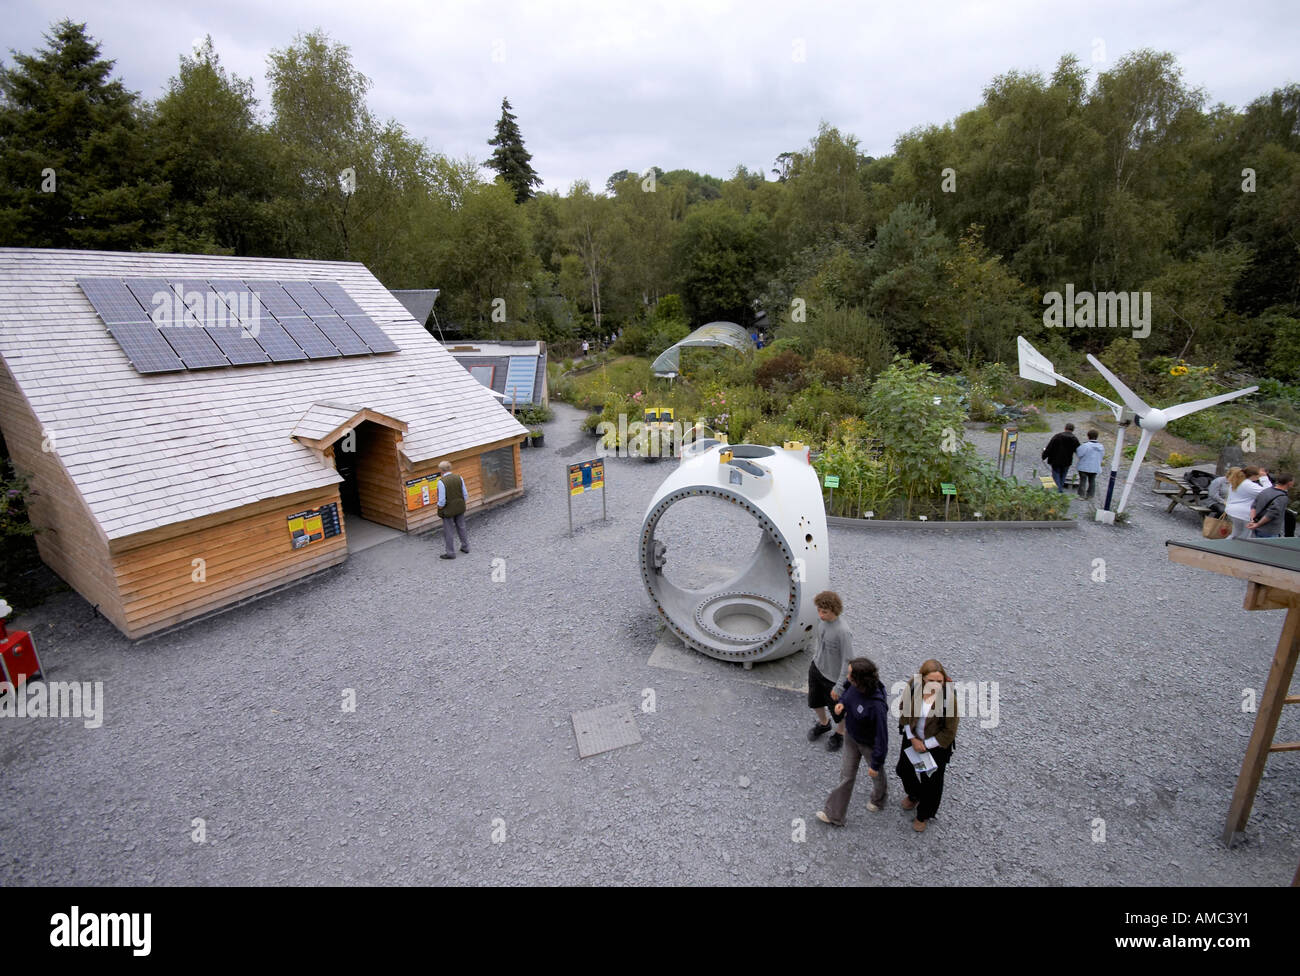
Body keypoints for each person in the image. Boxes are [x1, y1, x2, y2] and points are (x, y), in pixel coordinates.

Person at [816, 658, 889, 826]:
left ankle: (879, 798)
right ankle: (834, 815)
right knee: (846, 776)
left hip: (868, 745)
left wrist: (876, 763)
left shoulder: (876, 706)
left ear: (860, 679)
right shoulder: (853, 685)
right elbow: (847, 693)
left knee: (876, 774)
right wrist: (841, 704)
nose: (846, 676)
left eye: (850, 674)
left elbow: (882, 737)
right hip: (851, 737)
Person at [895, 659, 959, 833]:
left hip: (936, 746)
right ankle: (915, 795)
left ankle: (923, 814)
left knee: (932, 782)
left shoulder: (949, 699)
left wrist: (925, 744)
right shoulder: (914, 686)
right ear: (923, 678)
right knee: (903, 769)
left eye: (939, 681)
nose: (936, 685)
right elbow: (904, 710)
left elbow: (949, 732)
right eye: (931, 681)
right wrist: (913, 739)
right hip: (913, 737)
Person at [806, 591, 853, 752]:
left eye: (824, 612)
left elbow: (848, 661)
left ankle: (840, 732)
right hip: (817, 669)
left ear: (835, 610)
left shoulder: (843, 632)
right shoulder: (822, 622)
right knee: (814, 700)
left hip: (833, 679)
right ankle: (824, 724)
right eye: (819, 610)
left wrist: (839, 686)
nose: (820, 615)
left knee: (839, 711)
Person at [436, 460, 470, 559]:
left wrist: (439, 507)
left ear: (441, 470)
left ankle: (450, 553)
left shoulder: (441, 482)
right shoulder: (459, 478)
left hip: (448, 510)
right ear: (450, 468)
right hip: (459, 507)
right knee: (462, 527)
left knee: (449, 531)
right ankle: (465, 547)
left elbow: (442, 501)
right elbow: (465, 495)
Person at [1248, 473, 1293, 539]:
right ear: (1289, 483)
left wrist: (1253, 521)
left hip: (1257, 529)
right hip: (1270, 531)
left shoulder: (1265, 491)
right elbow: (1271, 514)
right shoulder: (1282, 497)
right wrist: (1257, 524)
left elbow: (1253, 506)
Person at [1225, 466, 1265, 539]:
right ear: (1253, 475)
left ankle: (1225, 546)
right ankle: (1239, 549)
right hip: (1243, 513)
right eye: (1258, 476)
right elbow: (1268, 493)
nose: (1258, 478)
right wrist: (1264, 478)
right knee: (1245, 535)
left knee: (1235, 533)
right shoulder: (1248, 484)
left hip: (1232, 511)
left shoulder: (1237, 481)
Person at [1041, 423, 1080, 493]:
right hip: (1067, 461)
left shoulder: (1057, 437)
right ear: (1073, 430)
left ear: (1065, 428)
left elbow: (1049, 447)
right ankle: (1060, 489)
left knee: (1056, 475)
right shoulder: (1075, 439)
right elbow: (1078, 450)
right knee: (1063, 476)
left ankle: (1058, 491)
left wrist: (1044, 456)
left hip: (1055, 460)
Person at [1075, 430, 1105, 499]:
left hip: (1084, 466)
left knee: (1083, 480)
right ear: (1097, 437)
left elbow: (1079, 454)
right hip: (1095, 467)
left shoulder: (1085, 445)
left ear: (1088, 436)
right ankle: (1090, 495)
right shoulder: (1101, 447)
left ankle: (1081, 495)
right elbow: (1102, 455)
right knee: (1092, 481)